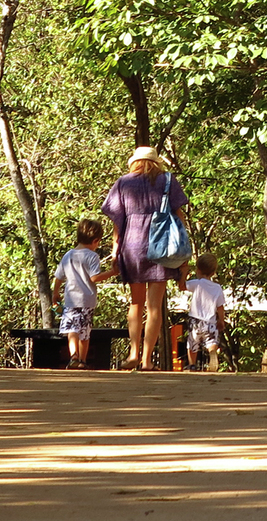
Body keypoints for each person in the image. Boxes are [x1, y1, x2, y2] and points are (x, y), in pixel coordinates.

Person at [102, 145, 191, 370]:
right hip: (161, 245)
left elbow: (117, 221)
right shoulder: (167, 180)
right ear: (155, 162)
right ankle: (147, 360)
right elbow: (179, 215)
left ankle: (133, 354)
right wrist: (183, 249)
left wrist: (115, 250)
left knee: (136, 302)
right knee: (154, 307)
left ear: (134, 162)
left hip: (132, 246)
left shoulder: (123, 183)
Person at [53, 219, 117, 369]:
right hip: (87, 300)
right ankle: (82, 360)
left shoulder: (68, 255)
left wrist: (55, 293)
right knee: (85, 332)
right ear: (95, 240)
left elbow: (58, 277)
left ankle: (73, 356)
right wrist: (112, 272)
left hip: (70, 300)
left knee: (72, 329)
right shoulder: (92, 256)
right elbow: (94, 277)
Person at [184, 254, 228, 370]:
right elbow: (220, 307)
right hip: (210, 321)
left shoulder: (196, 284)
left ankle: (192, 365)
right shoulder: (217, 288)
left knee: (192, 344)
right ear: (213, 273)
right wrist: (221, 321)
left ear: (197, 270)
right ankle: (212, 353)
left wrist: (183, 273)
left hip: (195, 321)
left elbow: (182, 286)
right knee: (211, 341)